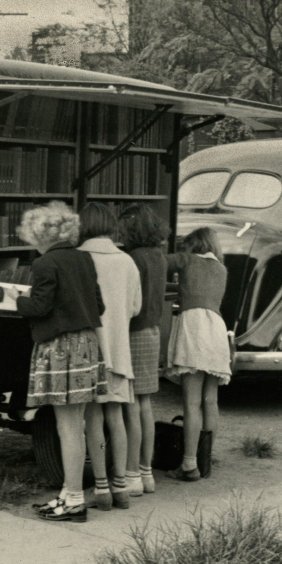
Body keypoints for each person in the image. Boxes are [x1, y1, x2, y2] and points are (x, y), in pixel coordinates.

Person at [11, 201, 107, 522]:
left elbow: (39, 307)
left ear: (40, 234)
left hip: (61, 348)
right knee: (73, 426)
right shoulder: (84, 259)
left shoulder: (45, 263)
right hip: (86, 345)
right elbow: (98, 305)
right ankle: (68, 493)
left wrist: (18, 301)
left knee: (67, 428)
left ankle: (75, 500)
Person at [77, 203, 142, 510]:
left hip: (90, 351)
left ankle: (100, 487)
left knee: (93, 418)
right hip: (119, 350)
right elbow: (135, 308)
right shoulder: (127, 261)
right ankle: (121, 486)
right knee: (116, 417)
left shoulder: (79, 259)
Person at [164, 226, 231, 481]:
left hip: (194, 327)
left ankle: (189, 464)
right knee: (210, 400)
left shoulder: (187, 260)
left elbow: (161, 262)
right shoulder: (221, 269)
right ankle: (206, 459)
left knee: (191, 403)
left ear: (194, 245)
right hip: (216, 329)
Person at [119, 203, 169, 495]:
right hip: (152, 331)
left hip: (134, 331)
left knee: (131, 407)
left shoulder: (134, 258)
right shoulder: (158, 256)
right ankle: (146, 472)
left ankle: (132, 474)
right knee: (146, 405)